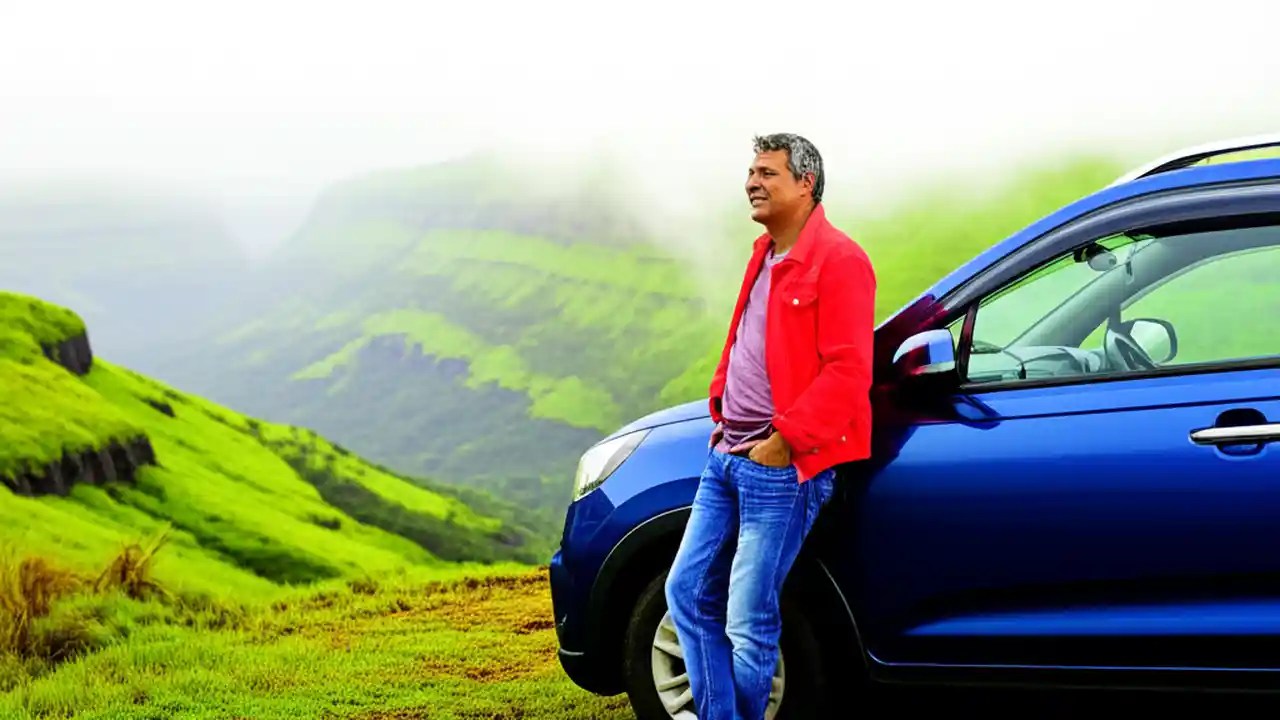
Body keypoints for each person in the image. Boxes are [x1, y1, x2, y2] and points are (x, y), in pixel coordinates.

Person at [663, 133, 876, 720]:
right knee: (685, 592)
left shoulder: (840, 260)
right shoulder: (764, 252)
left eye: (767, 173)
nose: (752, 182)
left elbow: (849, 370)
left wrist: (785, 442)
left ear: (805, 183)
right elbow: (744, 340)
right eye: (750, 172)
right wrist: (720, 407)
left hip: (782, 469)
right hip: (727, 454)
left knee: (748, 620)